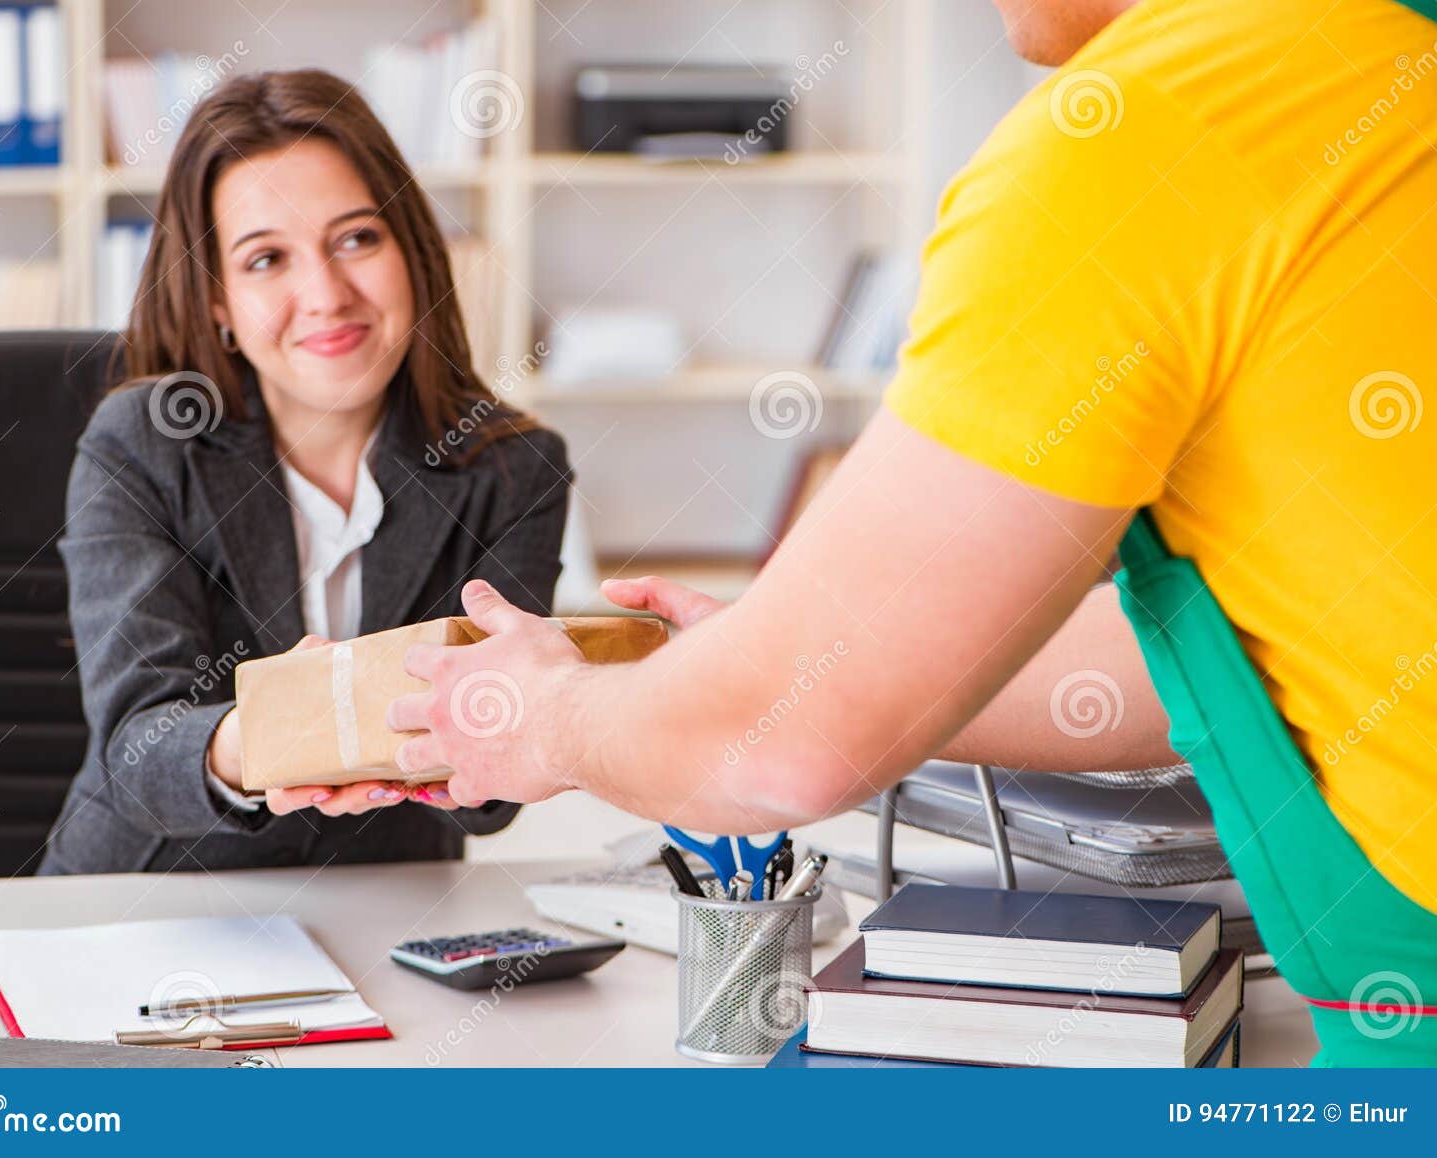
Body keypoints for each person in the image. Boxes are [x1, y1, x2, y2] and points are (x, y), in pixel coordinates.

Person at [388, 0, 1437, 1063]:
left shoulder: (1145, 129)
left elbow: (781, 749)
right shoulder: (1380, 61)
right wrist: (807, 666)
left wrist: (552, 719)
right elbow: (1256, 652)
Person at [40, 69, 569, 875]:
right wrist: (269, 735)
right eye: (265, 260)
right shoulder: (143, 444)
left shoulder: (514, 470)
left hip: (389, 903)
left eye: (358, 238)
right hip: (154, 899)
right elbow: (139, 751)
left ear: (414, 255)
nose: (324, 294)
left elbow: (494, 799)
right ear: (216, 301)